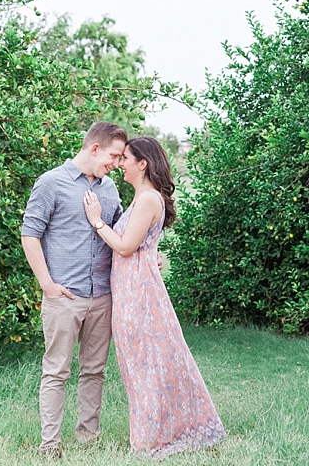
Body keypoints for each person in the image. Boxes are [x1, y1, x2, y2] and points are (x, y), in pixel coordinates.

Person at [82, 136, 225, 459]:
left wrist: (97, 221)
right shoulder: (143, 198)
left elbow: (125, 246)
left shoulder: (148, 199)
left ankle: (150, 439)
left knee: (145, 366)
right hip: (133, 288)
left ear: (142, 164)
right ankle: (157, 431)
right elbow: (144, 245)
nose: (120, 165)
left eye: (126, 159)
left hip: (139, 295)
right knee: (142, 365)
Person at [20, 121, 127, 457]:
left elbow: (123, 233)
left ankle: (88, 439)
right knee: (56, 371)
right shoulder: (51, 182)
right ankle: (49, 445)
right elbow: (29, 234)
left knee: (95, 371)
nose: (117, 163)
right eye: (114, 155)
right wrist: (47, 285)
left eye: (122, 157)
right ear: (94, 148)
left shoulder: (110, 190)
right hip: (64, 297)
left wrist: (147, 259)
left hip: (102, 297)